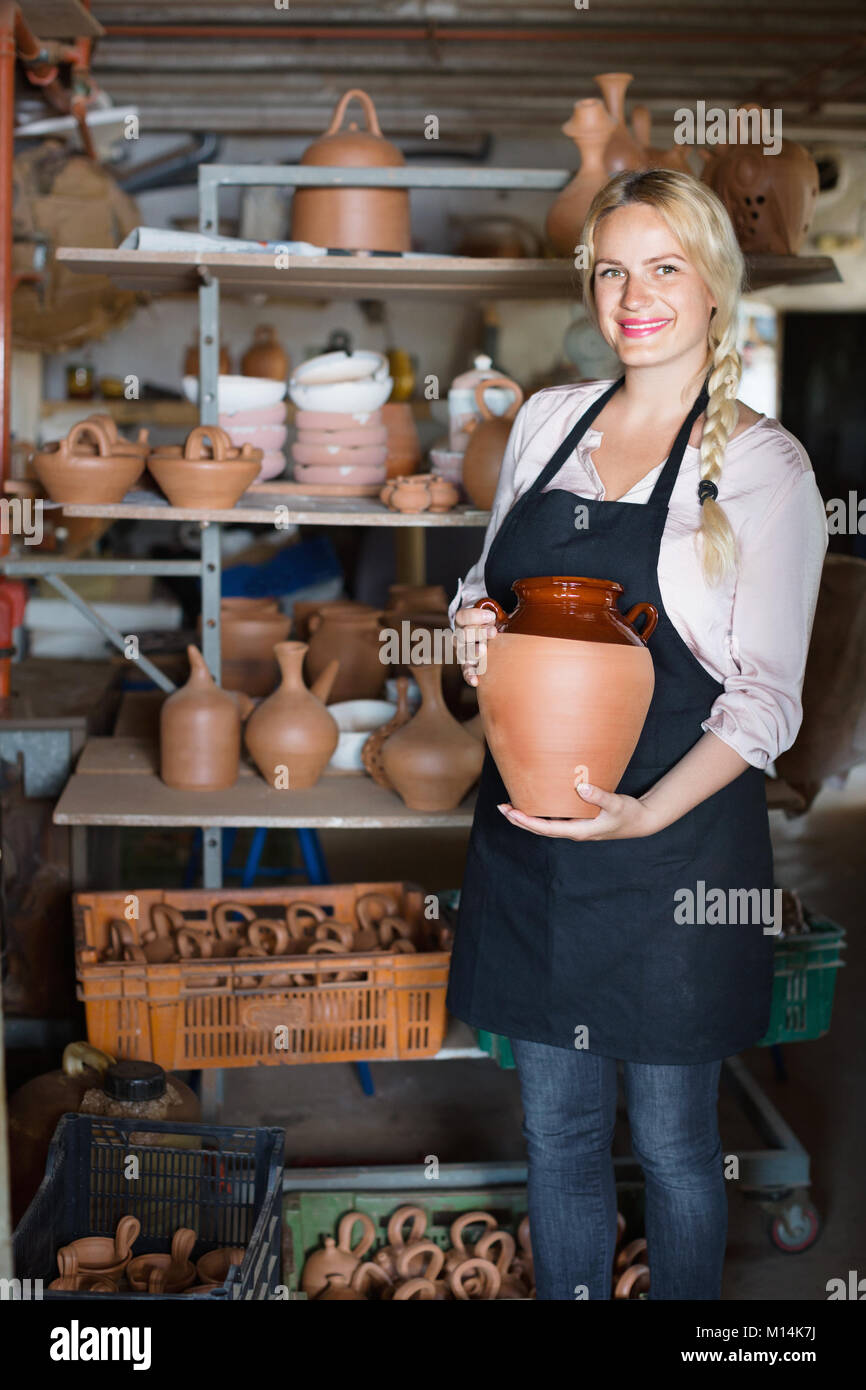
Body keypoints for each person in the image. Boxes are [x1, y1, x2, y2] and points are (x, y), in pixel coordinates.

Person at [447, 170, 828, 1300]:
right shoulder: (546, 421)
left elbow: (765, 698)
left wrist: (643, 813)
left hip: (672, 856)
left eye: (663, 266)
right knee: (556, 1135)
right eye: (611, 269)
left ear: (714, 285)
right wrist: (468, 631)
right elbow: (484, 587)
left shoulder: (761, 466)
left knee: (669, 1145)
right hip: (530, 841)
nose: (634, 295)